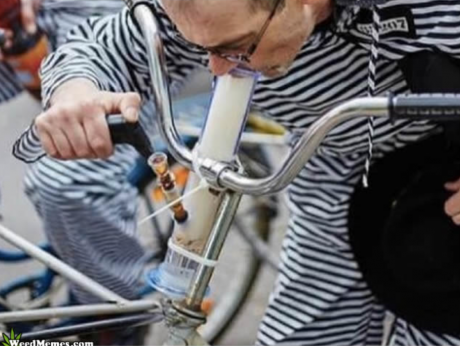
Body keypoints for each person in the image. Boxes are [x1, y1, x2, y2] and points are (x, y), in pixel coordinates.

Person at [12, 0, 460, 344]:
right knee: (301, 333)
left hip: (442, 168)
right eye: (203, 49)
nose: (217, 70)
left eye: (236, 46)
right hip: (329, 163)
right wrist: (75, 93)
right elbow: (99, 47)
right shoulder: (205, 14)